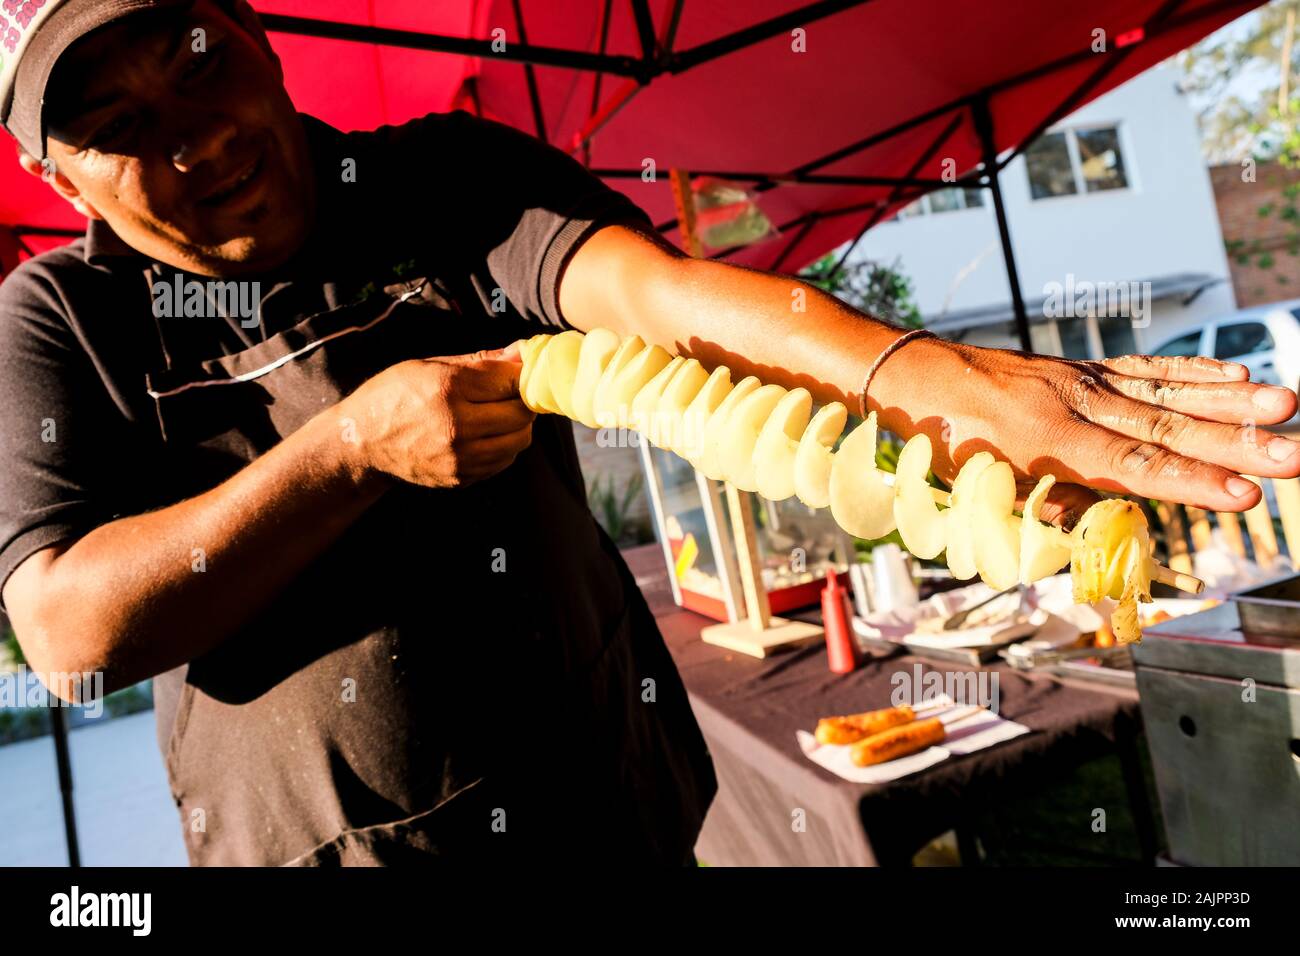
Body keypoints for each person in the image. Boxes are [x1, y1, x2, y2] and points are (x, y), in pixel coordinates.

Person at [0, 0, 1295, 865]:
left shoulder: (437, 181)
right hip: (340, 850)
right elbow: (68, 630)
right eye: (118, 129)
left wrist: (921, 376)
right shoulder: (58, 319)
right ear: (61, 182)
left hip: (609, 807)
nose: (197, 134)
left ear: (254, 37)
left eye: (197, 60)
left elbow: (658, 299)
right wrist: (338, 455)